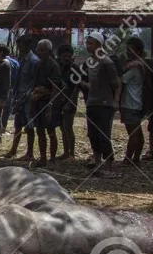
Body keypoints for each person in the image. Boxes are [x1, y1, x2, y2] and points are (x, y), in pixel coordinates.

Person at [80, 32, 120, 172]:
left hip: (104, 104)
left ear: (98, 44)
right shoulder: (90, 62)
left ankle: (109, 163)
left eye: (90, 43)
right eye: (87, 43)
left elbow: (116, 84)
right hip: (92, 102)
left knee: (104, 134)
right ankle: (97, 161)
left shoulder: (107, 62)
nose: (87, 46)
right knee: (92, 134)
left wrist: (115, 101)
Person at [27, 38, 61, 165]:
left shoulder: (54, 66)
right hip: (37, 101)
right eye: (38, 50)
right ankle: (43, 158)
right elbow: (33, 84)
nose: (39, 52)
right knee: (40, 131)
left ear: (48, 51)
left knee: (51, 131)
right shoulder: (37, 65)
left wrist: (50, 106)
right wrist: (31, 102)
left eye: (42, 50)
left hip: (48, 102)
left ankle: (52, 158)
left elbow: (56, 88)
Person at [3, 36, 38, 159]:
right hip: (19, 97)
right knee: (18, 124)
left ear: (28, 45)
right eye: (18, 46)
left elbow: (34, 81)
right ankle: (13, 150)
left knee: (29, 126)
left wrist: (28, 95)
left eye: (21, 46)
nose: (19, 48)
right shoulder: (21, 59)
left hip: (28, 98)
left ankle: (30, 153)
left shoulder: (33, 61)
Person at [119, 38, 147, 166]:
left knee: (133, 134)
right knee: (137, 133)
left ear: (138, 51)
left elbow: (121, 81)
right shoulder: (141, 65)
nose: (128, 52)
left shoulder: (134, 67)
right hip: (137, 102)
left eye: (130, 50)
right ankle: (136, 158)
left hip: (130, 103)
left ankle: (128, 159)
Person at [53, 44, 79, 160]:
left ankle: (71, 153)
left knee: (68, 127)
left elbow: (76, 88)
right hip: (59, 101)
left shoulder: (75, 69)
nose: (67, 59)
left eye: (69, 56)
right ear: (59, 57)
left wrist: (70, 102)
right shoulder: (57, 67)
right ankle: (65, 152)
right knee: (62, 128)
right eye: (64, 56)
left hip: (70, 102)